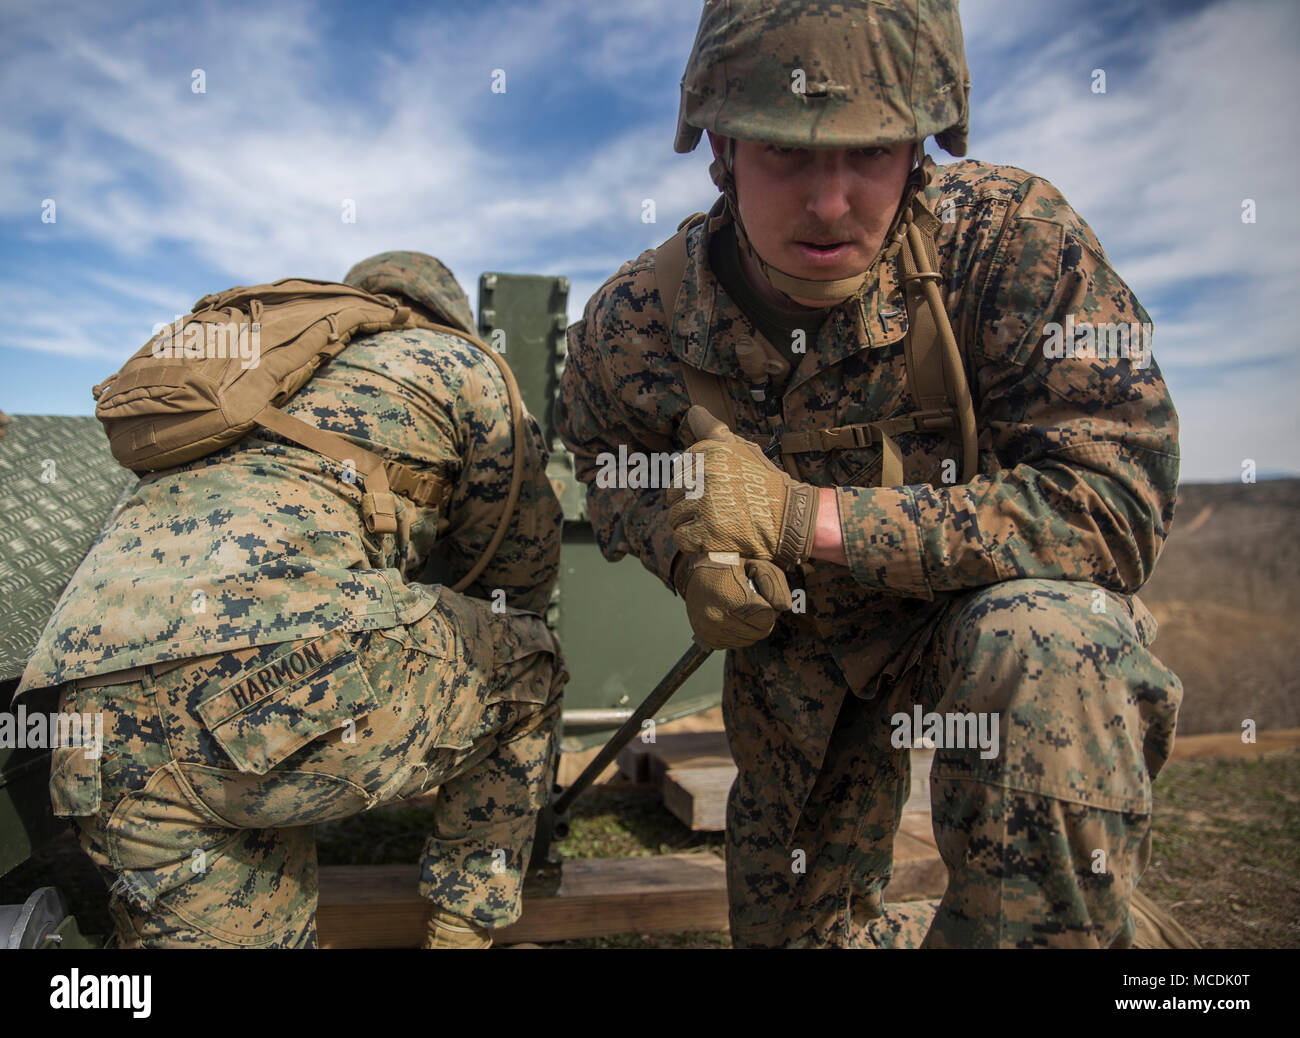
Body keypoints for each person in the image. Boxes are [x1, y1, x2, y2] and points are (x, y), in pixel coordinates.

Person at [556, 0, 1183, 948]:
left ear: (921, 149)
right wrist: (689, 556)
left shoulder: (1011, 245)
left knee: (1053, 644)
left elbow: (1112, 500)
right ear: (721, 147)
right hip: (794, 659)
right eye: (788, 154)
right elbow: (607, 461)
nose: (830, 201)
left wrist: (804, 518)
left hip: (972, 620)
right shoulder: (636, 321)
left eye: (871, 154)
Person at [14, 251, 567, 949]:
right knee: (529, 661)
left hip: (93, 720)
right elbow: (519, 576)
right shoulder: (458, 361)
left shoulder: (258, 369)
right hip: (277, 691)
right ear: (446, 312)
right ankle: (463, 931)